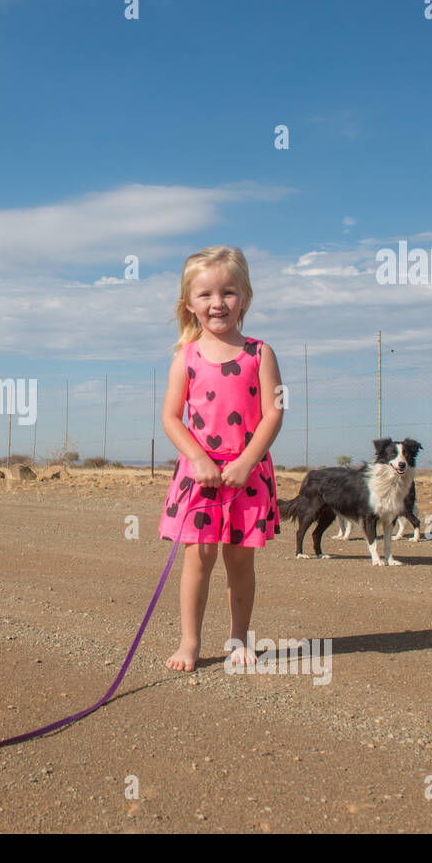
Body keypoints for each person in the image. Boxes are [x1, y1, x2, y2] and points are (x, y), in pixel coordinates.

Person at [158, 246, 283, 671]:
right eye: (206, 295)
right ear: (189, 304)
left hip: (247, 472)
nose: (218, 303)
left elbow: (274, 412)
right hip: (200, 475)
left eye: (228, 292)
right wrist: (197, 458)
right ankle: (189, 642)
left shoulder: (261, 353)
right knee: (199, 557)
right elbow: (171, 418)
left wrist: (247, 461)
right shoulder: (185, 357)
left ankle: (239, 638)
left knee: (240, 559)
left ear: (245, 297)